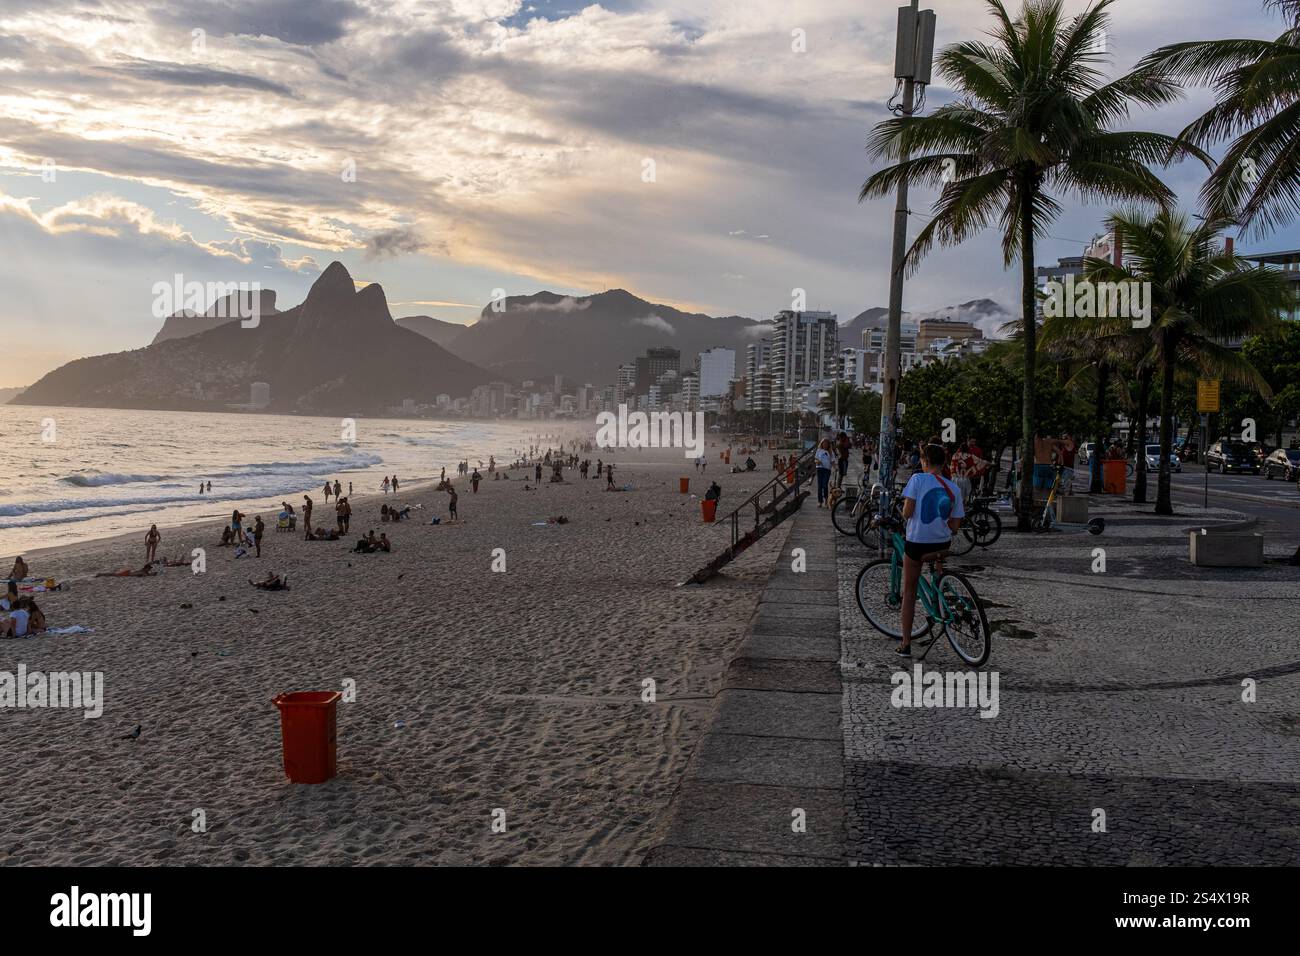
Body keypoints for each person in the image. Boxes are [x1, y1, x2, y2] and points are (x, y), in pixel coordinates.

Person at [896, 444, 964, 658]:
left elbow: (907, 513)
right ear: (944, 463)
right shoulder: (954, 489)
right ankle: (938, 596)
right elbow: (954, 526)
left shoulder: (917, 479)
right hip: (943, 545)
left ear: (924, 461)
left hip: (917, 544)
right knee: (936, 562)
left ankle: (905, 643)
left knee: (909, 592)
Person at [814, 439, 833, 507]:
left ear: (828, 445)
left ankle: (826, 499)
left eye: (826, 444)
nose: (825, 445)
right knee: (820, 486)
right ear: (821, 444)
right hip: (819, 469)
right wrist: (817, 462)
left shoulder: (830, 452)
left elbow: (832, 461)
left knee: (825, 485)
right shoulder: (819, 450)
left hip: (827, 470)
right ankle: (820, 501)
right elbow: (815, 459)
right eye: (824, 443)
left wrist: (835, 467)